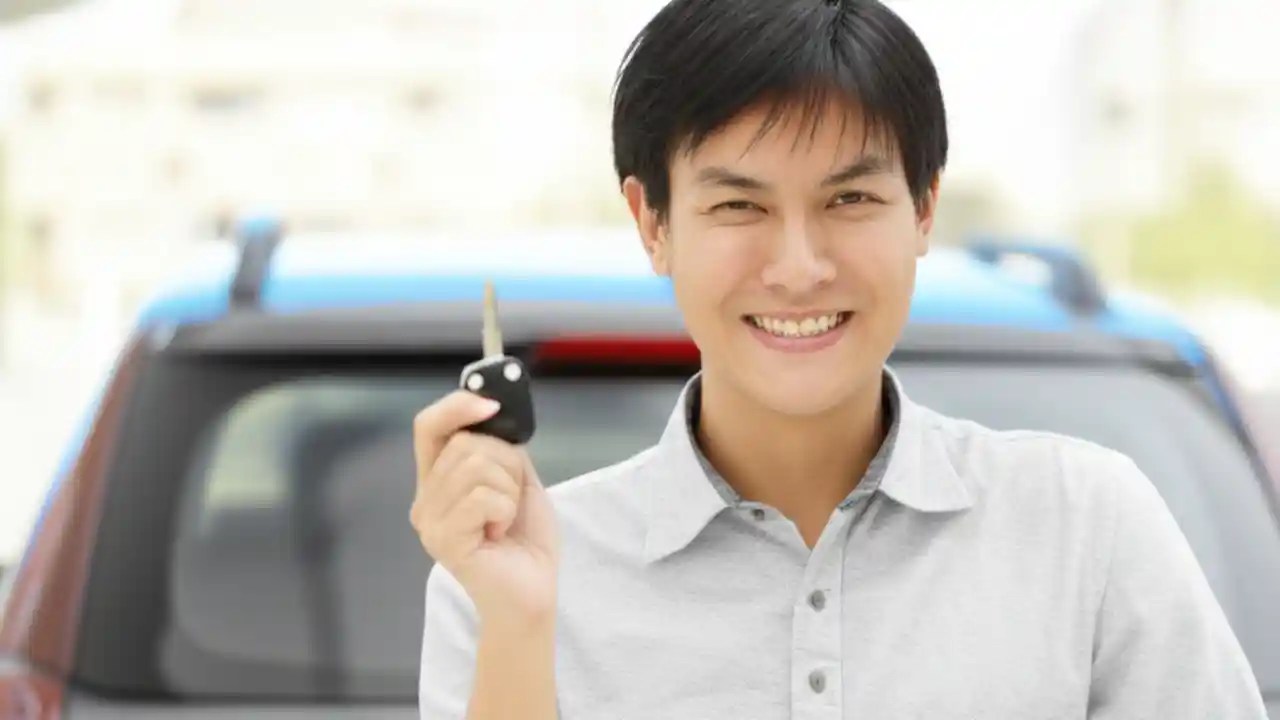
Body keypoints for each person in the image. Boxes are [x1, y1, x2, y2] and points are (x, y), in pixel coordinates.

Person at [410, 1, 1268, 718]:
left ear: (925, 207)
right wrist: (520, 627)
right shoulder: (501, 581)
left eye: (850, 198)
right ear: (653, 222)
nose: (798, 267)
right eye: (740, 205)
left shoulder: (1086, 526)